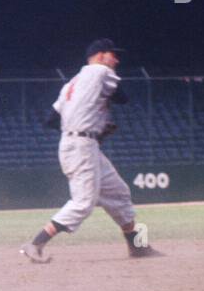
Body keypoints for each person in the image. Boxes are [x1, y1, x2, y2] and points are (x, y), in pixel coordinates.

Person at [20, 39, 158, 263]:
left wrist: (89, 129)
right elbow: (123, 98)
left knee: (119, 192)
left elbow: (51, 120)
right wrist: (86, 131)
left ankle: (137, 247)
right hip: (81, 147)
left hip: (81, 144)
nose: (116, 59)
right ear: (101, 56)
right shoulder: (100, 71)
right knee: (84, 202)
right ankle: (36, 244)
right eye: (113, 54)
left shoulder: (72, 83)